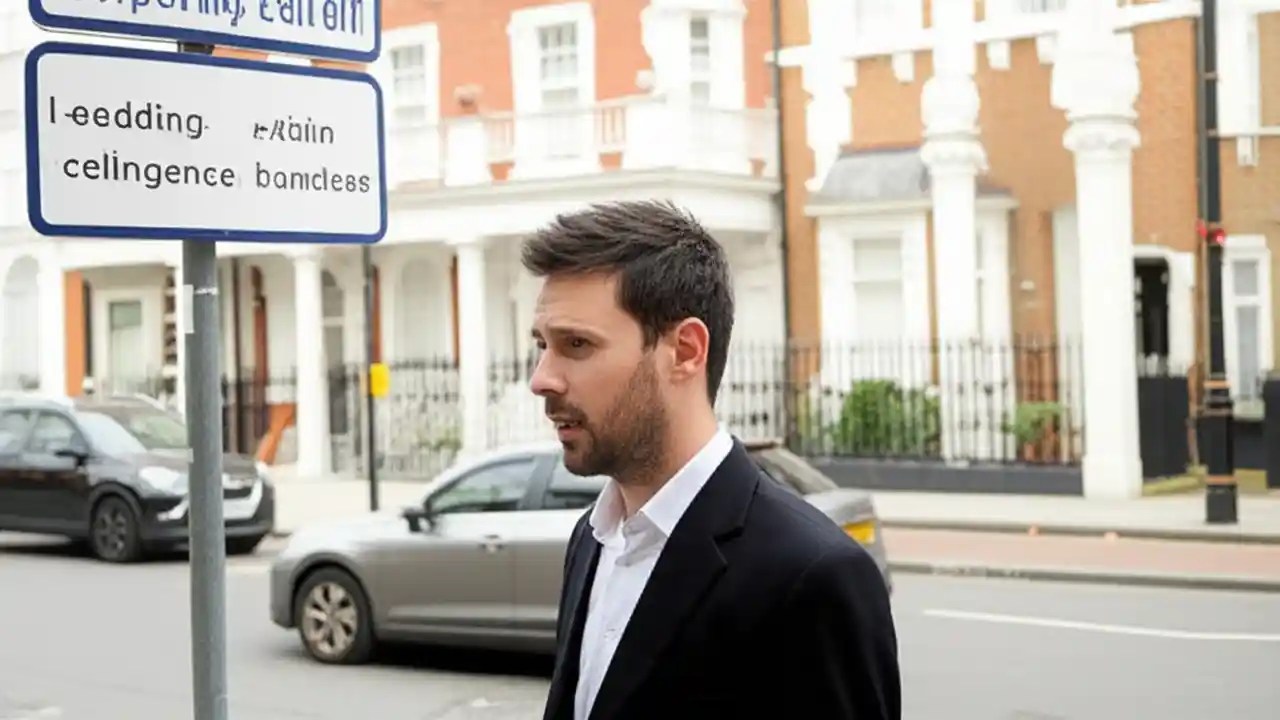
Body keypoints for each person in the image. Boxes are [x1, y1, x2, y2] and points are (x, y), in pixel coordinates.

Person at [525, 200, 900, 720]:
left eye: (577, 344)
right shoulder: (591, 538)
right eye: (542, 344)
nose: (542, 377)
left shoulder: (815, 576)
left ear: (685, 351)